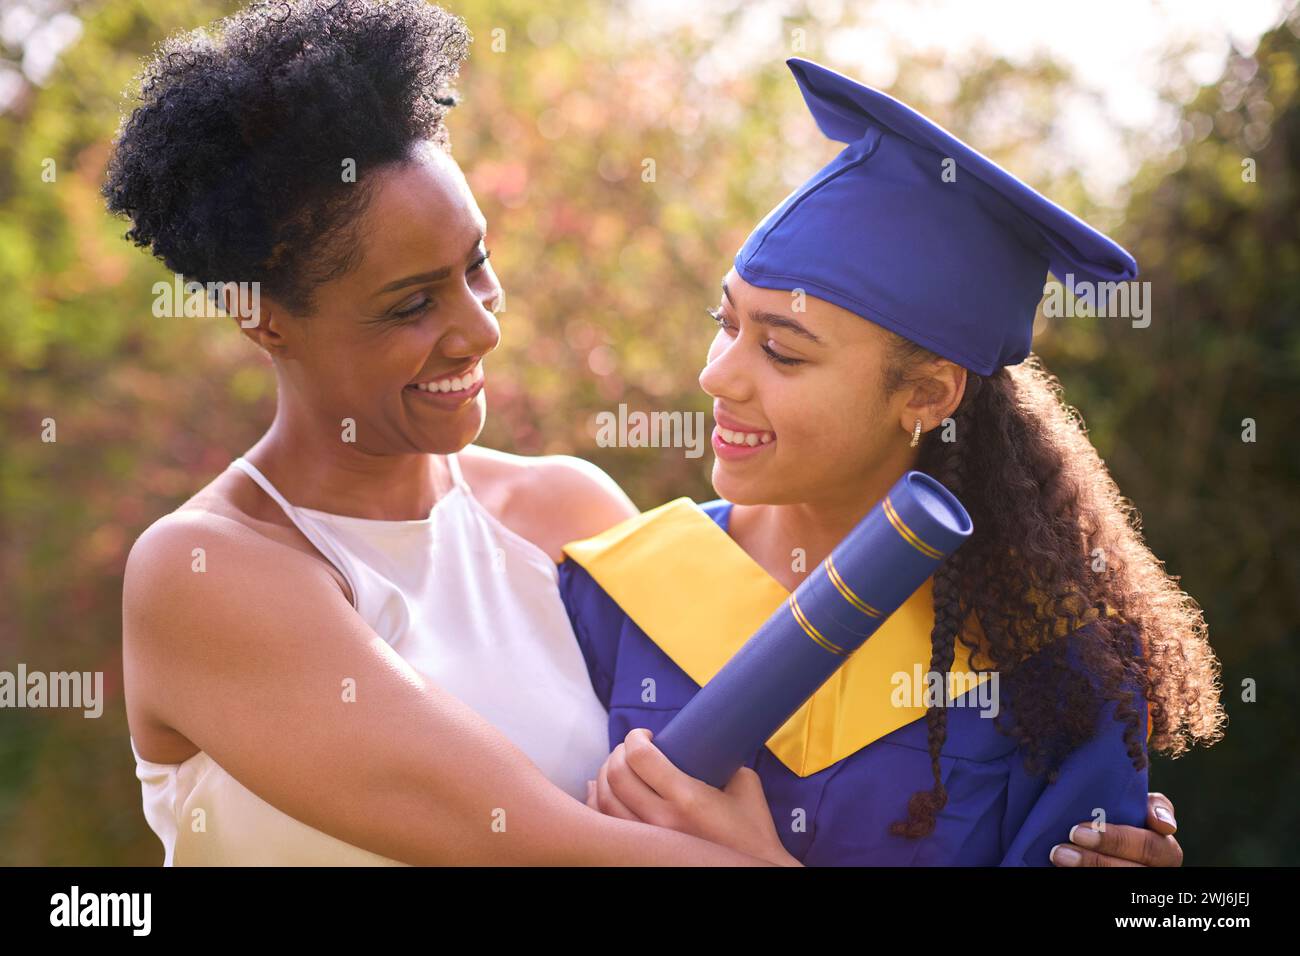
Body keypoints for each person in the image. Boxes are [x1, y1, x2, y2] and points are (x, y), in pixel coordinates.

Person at [110, 0, 1187, 866]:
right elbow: (547, 838)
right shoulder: (208, 570)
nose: (480, 323)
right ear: (264, 315)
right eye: (410, 304)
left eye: (476, 264)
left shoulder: (573, 522)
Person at [562, 59, 1223, 865]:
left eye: (781, 351)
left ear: (927, 394)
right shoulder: (614, 595)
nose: (717, 375)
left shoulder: (1057, 680)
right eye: (724, 321)